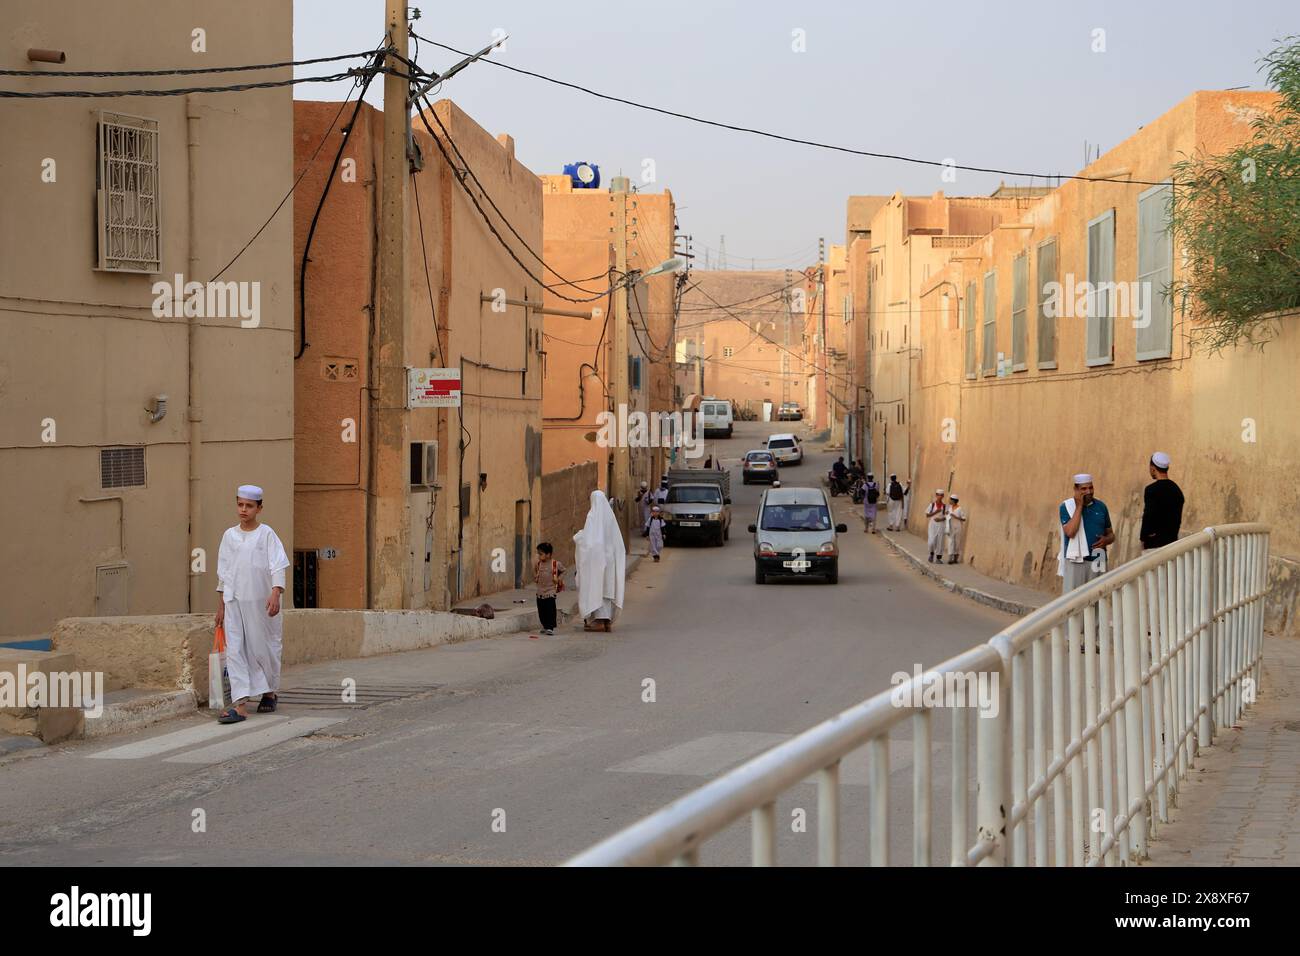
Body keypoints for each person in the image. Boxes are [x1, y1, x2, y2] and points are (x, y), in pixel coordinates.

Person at [214, 484, 290, 723]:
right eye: (240, 505)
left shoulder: (267, 534)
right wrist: (221, 605)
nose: (243, 510)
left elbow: (278, 565)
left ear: (259, 508)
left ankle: (269, 692)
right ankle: (241, 704)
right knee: (235, 650)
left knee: (263, 647)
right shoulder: (229, 536)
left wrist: (276, 593)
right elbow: (224, 573)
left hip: (262, 604)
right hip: (234, 601)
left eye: (249, 506)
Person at [574, 490, 626, 632]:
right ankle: (607, 622)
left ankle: (599, 622)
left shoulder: (592, 517)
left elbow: (590, 543)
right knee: (607, 591)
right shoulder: (611, 519)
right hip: (610, 561)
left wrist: (579, 537)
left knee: (597, 589)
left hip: (597, 560)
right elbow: (618, 544)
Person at [1058, 473, 1115, 594]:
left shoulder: (1101, 507)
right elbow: (1070, 532)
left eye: (1091, 488)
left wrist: (1106, 540)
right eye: (1084, 489)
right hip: (1076, 560)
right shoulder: (1067, 507)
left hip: (1098, 559)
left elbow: (1111, 534)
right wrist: (1079, 506)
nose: (1088, 491)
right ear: (1076, 489)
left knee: (1097, 599)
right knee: (1074, 600)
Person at [1139, 451, 1184, 550]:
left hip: (1154, 544)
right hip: (1171, 543)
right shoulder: (1177, 490)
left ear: (1153, 468)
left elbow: (1148, 515)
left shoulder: (1151, 490)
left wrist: (1144, 537)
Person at [532, 542, 564, 635]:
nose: (539, 556)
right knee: (541, 610)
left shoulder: (555, 564)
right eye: (538, 553)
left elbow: (563, 571)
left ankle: (550, 627)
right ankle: (545, 625)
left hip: (550, 591)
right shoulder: (539, 564)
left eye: (541, 554)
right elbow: (535, 571)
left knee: (550, 609)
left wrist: (559, 579)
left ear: (548, 555)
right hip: (540, 591)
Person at [925, 489, 948, 562]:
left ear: (943, 496)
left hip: (941, 525)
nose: (939, 496)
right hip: (932, 525)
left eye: (941, 495)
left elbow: (947, 516)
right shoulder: (932, 505)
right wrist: (936, 512)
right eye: (938, 495)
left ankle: (938, 558)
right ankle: (931, 554)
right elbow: (927, 515)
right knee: (931, 541)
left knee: (940, 541)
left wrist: (940, 519)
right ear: (936, 495)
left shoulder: (945, 506)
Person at [945, 494, 967, 564]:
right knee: (950, 542)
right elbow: (948, 516)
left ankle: (955, 558)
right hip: (950, 527)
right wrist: (947, 513)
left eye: (950, 500)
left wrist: (956, 517)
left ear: (953, 500)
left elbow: (963, 519)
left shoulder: (960, 508)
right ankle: (950, 559)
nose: (949, 501)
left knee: (957, 543)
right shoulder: (950, 508)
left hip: (957, 527)